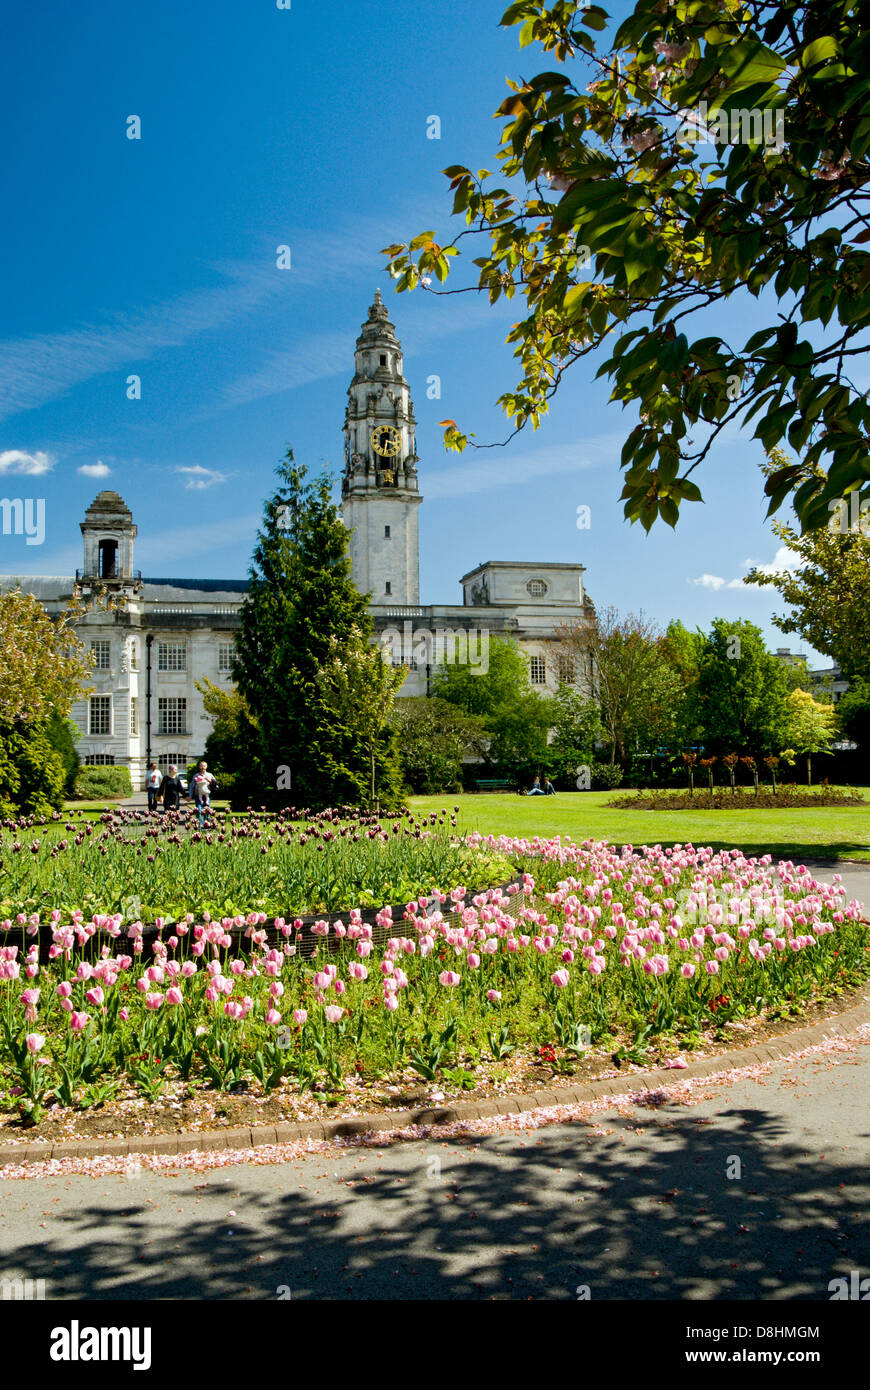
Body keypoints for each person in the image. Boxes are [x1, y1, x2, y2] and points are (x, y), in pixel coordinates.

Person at [189, 760, 217, 829]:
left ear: (206, 767)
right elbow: (191, 786)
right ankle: (200, 827)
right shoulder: (196, 775)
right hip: (198, 796)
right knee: (199, 810)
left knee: (207, 811)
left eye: (204, 766)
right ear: (199, 767)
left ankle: (207, 826)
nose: (202, 767)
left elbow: (216, 785)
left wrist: (210, 781)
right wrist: (190, 795)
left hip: (207, 796)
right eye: (201, 766)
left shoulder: (210, 775)